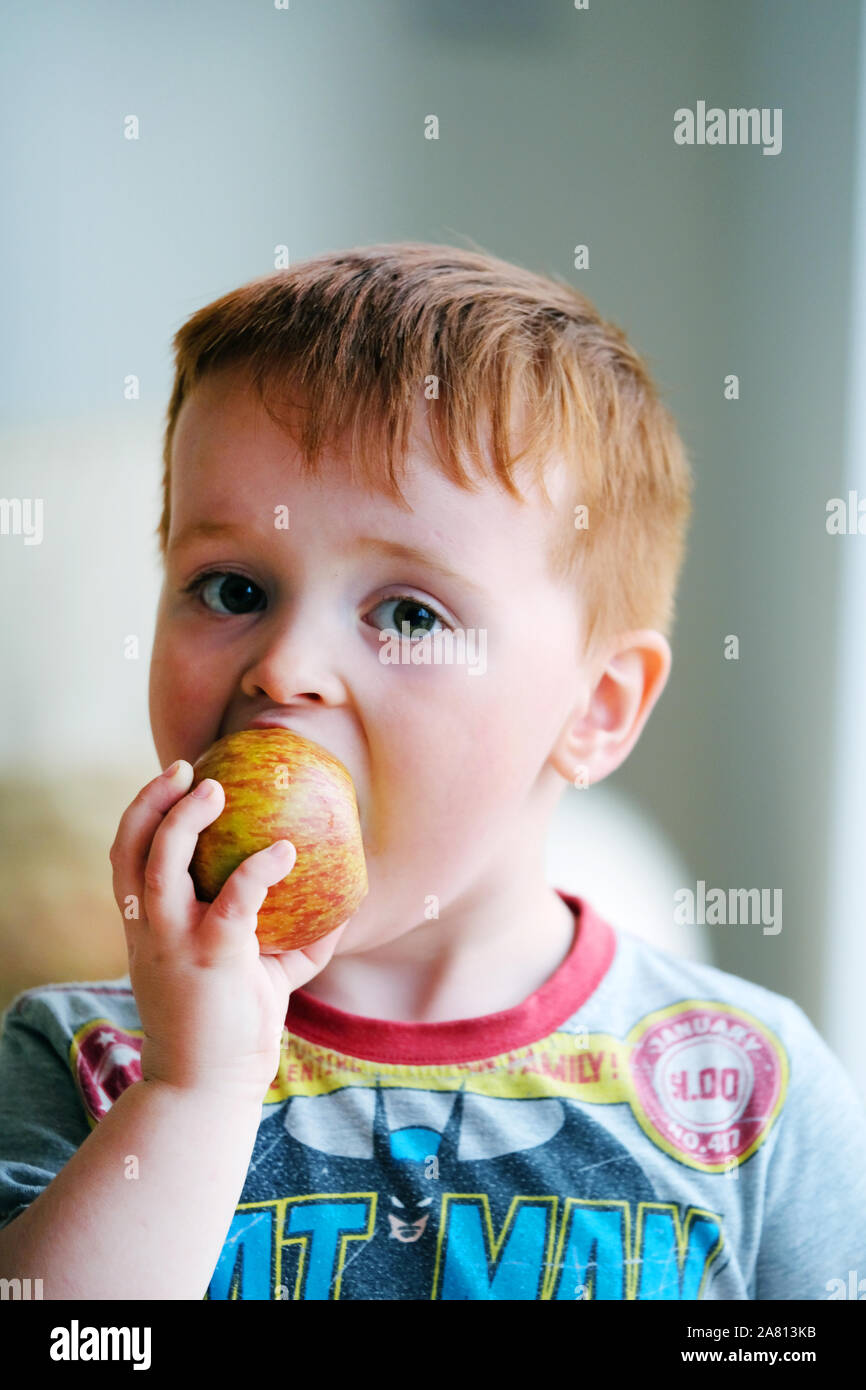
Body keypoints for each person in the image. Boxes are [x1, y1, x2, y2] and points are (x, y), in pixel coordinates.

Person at [1, 242, 864, 1301]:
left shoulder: (746, 1091)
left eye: (408, 612)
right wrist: (189, 1092)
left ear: (594, 708)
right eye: (230, 588)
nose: (284, 667)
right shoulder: (84, 1060)